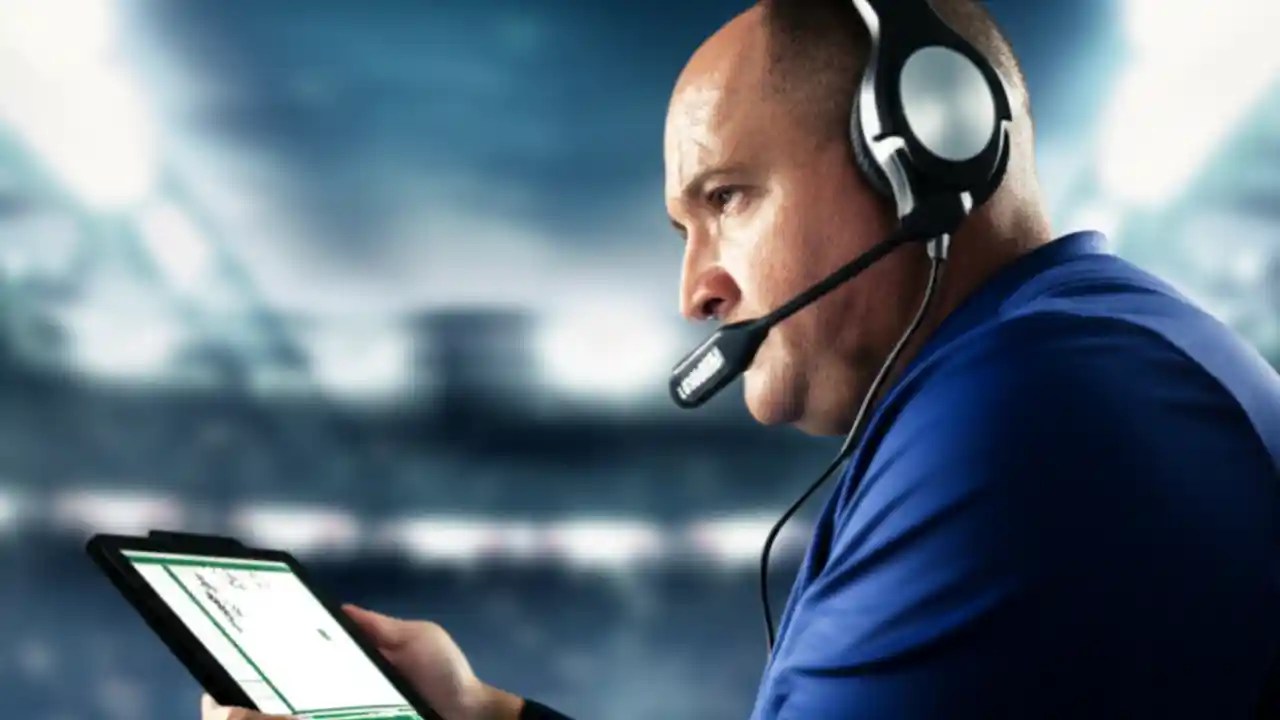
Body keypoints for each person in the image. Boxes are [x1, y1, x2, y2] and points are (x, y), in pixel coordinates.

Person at [202, 0, 1280, 718]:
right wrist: (490, 717)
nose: (696, 292)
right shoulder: (1061, 361)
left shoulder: (1022, 414)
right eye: (686, 230)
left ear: (924, 147)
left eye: (726, 199)